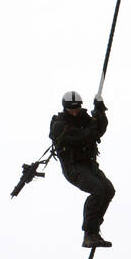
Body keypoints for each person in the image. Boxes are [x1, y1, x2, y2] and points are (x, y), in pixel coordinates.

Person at [50, 91, 115, 248]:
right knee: (98, 189)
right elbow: (82, 138)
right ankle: (89, 233)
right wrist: (92, 126)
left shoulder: (84, 118)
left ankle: (94, 228)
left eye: (77, 108)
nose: (74, 111)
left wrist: (99, 112)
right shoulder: (60, 125)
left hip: (90, 165)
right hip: (74, 168)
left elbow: (99, 130)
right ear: (65, 108)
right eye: (71, 109)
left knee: (109, 190)